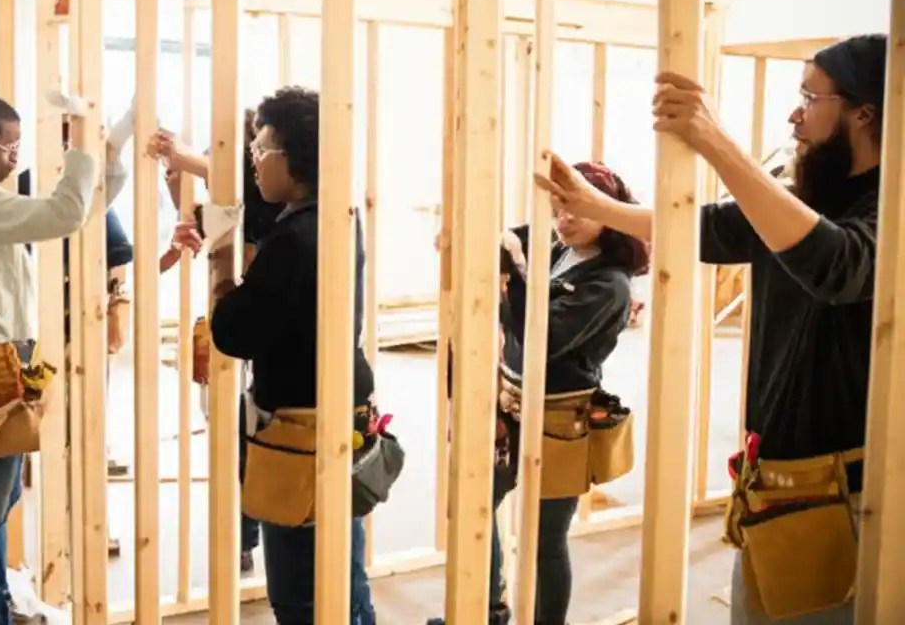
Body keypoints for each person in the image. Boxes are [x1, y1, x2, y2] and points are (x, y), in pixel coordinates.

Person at [537, 34, 886, 624]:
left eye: (809, 96)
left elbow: (839, 266)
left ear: (863, 112)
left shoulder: (891, 208)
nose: (794, 114)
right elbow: (710, 228)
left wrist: (717, 143)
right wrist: (596, 207)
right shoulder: (808, 196)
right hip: (774, 482)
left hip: (846, 497)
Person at [0, 92, 125, 625]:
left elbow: (80, 209)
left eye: (19, 144)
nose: (15, 156)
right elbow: (63, 213)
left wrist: (114, 144)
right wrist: (86, 137)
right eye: (6, 145)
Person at [430, 162, 648, 625]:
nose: (564, 220)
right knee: (475, 503)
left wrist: (515, 272)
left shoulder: (608, 283)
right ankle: (488, 610)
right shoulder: (559, 244)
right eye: (558, 209)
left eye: (576, 210)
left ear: (608, 213)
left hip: (559, 419)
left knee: (546, 540)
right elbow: (507, 236)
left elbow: (540, 339)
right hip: (512, 405)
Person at [208, 86, 377, 624]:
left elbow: (234, 333)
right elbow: (262, 213)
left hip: (297, 429)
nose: (254, 161)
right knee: (343, 572)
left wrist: (220, 267)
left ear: (295, 158)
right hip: (338, 408)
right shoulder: (332, 218)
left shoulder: (295, 243)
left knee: (301, 590)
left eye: (260, 150)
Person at [147, 108, 283, 574]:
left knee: (254, 433)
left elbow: (238, 198)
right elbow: (201, 222)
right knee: (228, 428)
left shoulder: (271, 198)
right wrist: (177, 179)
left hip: (260, 320)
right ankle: (243, 535)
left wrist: (184, 158)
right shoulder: (233, 190)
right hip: (230, 314)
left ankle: (252, 531)